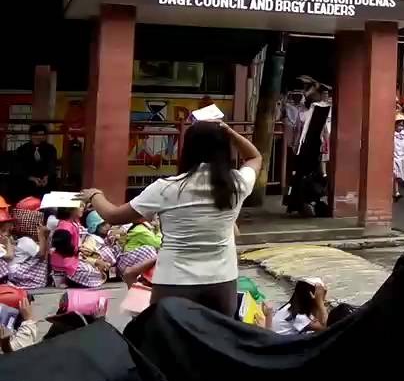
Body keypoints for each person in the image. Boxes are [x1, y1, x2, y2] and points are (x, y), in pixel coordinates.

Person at [78, 120, 261, 316]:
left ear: (187, 149)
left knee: (170, 341)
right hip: (221, 283)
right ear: (225, 148)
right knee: (216, 341)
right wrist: (228, 131)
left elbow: (113, 216)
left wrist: (95, 195)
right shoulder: (236, 185)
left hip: (174, 282)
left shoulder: (166, 188)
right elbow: (254, 156)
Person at [286, 83, 331, 217]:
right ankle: (307, 203)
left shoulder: (307, 112)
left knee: (303, 178)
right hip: (309, 149)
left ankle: (303, 203)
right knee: (308, 177)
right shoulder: (316, 111)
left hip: (306, 149)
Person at [9, 124, 58, 201]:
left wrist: (47, 177)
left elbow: (52, 165)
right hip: (27, 183)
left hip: (46, 183)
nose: (39, 137)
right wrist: (31, 178)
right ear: (31, 136)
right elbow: (18, 168)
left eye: (42, 135)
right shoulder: (22, 150)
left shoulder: (50, 149)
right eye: (36, 135)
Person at [392, 114, 404, 202]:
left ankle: (396, 192)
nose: (400, 127)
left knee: (399, 177)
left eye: (402, 125)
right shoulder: (392, 133)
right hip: (394, 157)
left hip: (401, 157)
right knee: (395, 175)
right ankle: (396, 192)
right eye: (399, 125)